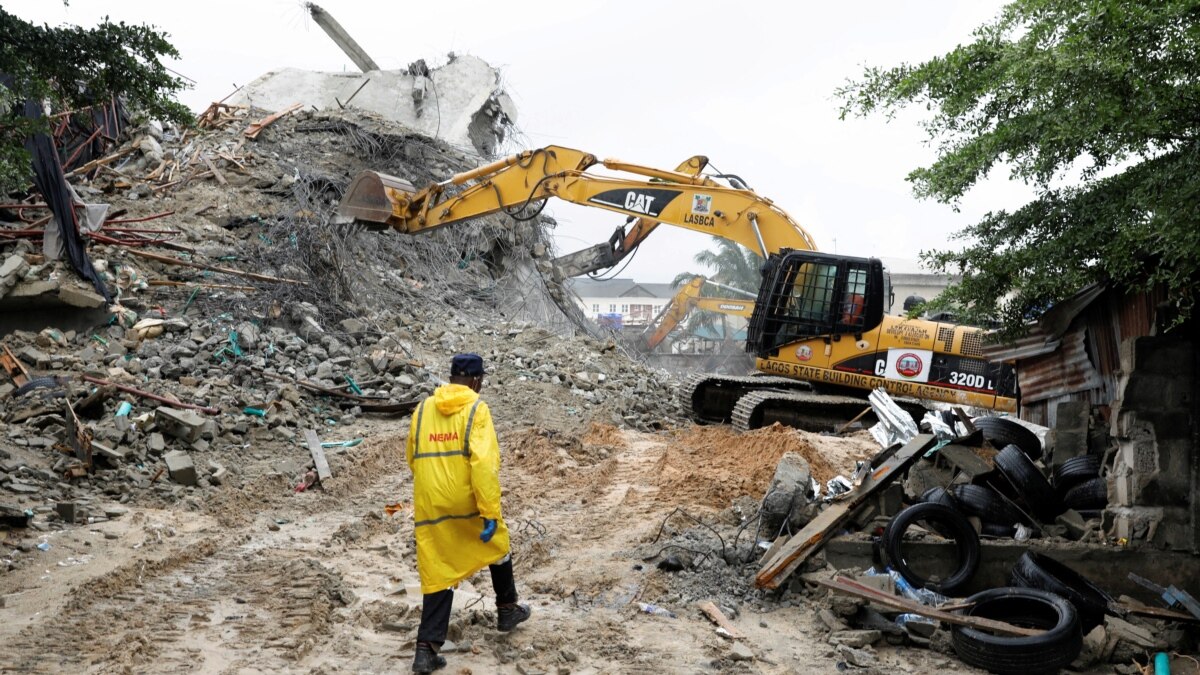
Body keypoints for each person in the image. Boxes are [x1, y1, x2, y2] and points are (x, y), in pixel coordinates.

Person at [406, 353, 531, 673]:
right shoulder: (477, 409)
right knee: (498, 544)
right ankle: (507, 609)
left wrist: (435, 486)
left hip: (430, 502)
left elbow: (412, 457)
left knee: (438, 567)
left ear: (451, 378)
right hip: (465, 502)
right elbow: (485, 466)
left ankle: (425, 650)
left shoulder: (422, 410)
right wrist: (489, 512)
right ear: (477, 381)